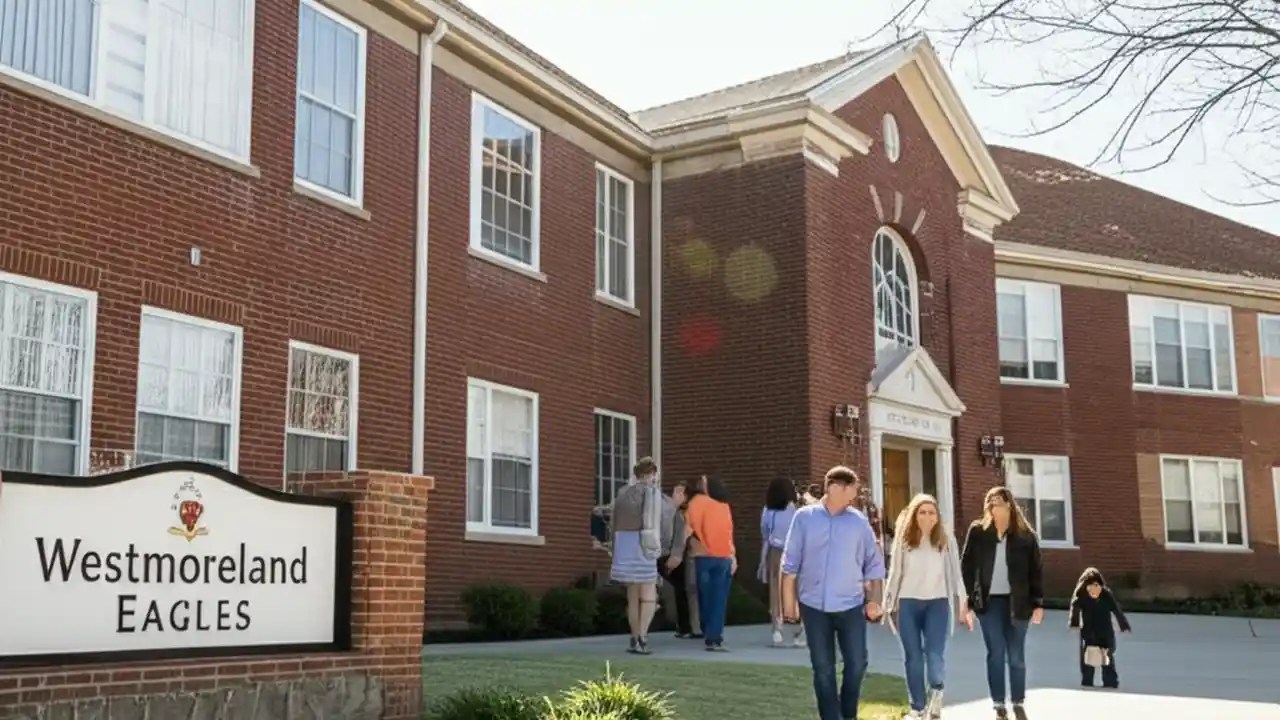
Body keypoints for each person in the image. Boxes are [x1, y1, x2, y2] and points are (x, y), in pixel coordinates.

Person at [781, 465, 886, 720]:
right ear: (834, 487)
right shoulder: (804, 518)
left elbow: (874, 565)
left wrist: (874, 600)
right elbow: (790, 563)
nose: (855, 494)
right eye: (852, 489)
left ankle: (847, 714)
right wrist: (789, 605)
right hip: (813, 605)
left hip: (850, 605)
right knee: (823, 669)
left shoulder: (859, 522)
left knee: (857, 664)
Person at [883, 494, 972, 719]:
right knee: (912, 657)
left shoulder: (945, 539)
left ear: (937, 517)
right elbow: (895, 572)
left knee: (934, 654)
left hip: (937, 604)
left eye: (931, 512)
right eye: (922, 512)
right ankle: (917, 707)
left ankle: (937, 690)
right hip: (908, 603)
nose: (927, 516)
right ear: (914, 514)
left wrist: (963, 602)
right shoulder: (904, 538)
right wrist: (888, 603)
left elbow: (955, 572)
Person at [961, 486, 1045, 720]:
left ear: (1009, 505)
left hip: (1018, 603)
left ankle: (1017, 701)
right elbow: (966, 566)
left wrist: (1037, 603)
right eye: (990, 502)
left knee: (1016, 654)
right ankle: (999, 703)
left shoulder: (1025, 537)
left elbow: (1035, 571)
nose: (993, 506)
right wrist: (969, 599)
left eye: (997, 502)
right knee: (995, 651)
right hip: (988, 604)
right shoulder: (978, 532)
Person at [595, 457, 665, 655]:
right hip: (643, 542)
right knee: (649, 591)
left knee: (633, 594)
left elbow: (614, 520)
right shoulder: (651, 493)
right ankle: (643, 636)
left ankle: (634, 637)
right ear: (652, 474)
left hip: (623, 544)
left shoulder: (622, 492)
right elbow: (651, 522)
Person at [685, 473, 737, 652]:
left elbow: (688, 528)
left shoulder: (695, 503)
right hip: (723, 557)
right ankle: (714, 636)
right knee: (719, 599)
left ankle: (710, 632)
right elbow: (729, 533)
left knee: (705, 597)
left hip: (703, 556)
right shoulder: (724, 506)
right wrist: (733, 555)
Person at [758, 475, 804, 648]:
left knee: (775, 591)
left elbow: (764, 531)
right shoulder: (795, 509)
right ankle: (799, 629)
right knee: (797, 590)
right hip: (794, 552)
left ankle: (777, 629)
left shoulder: (767, 510)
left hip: (775, 551)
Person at [1069, 567, 1131, 689]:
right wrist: (1123, 625)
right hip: (1103, 631)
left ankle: (1088, 680)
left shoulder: (1082, 593)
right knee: (1106, 657)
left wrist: (1074, 623)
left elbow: (1075, 607)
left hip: (1090, 631)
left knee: (1089, 658)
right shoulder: (1104, 593)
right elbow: (1116, 609)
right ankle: (1110, 681)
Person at [658, 480, 694, 638]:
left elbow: (681, 535)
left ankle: (685, 625)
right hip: (664, 553)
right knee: (680, 589)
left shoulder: (680, 514)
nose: (675, 495)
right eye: (675, 491)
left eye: (680, 493)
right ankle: (684, 625)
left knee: (682, 590)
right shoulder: (669, 510)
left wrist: (676, 555)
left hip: (674, 555)